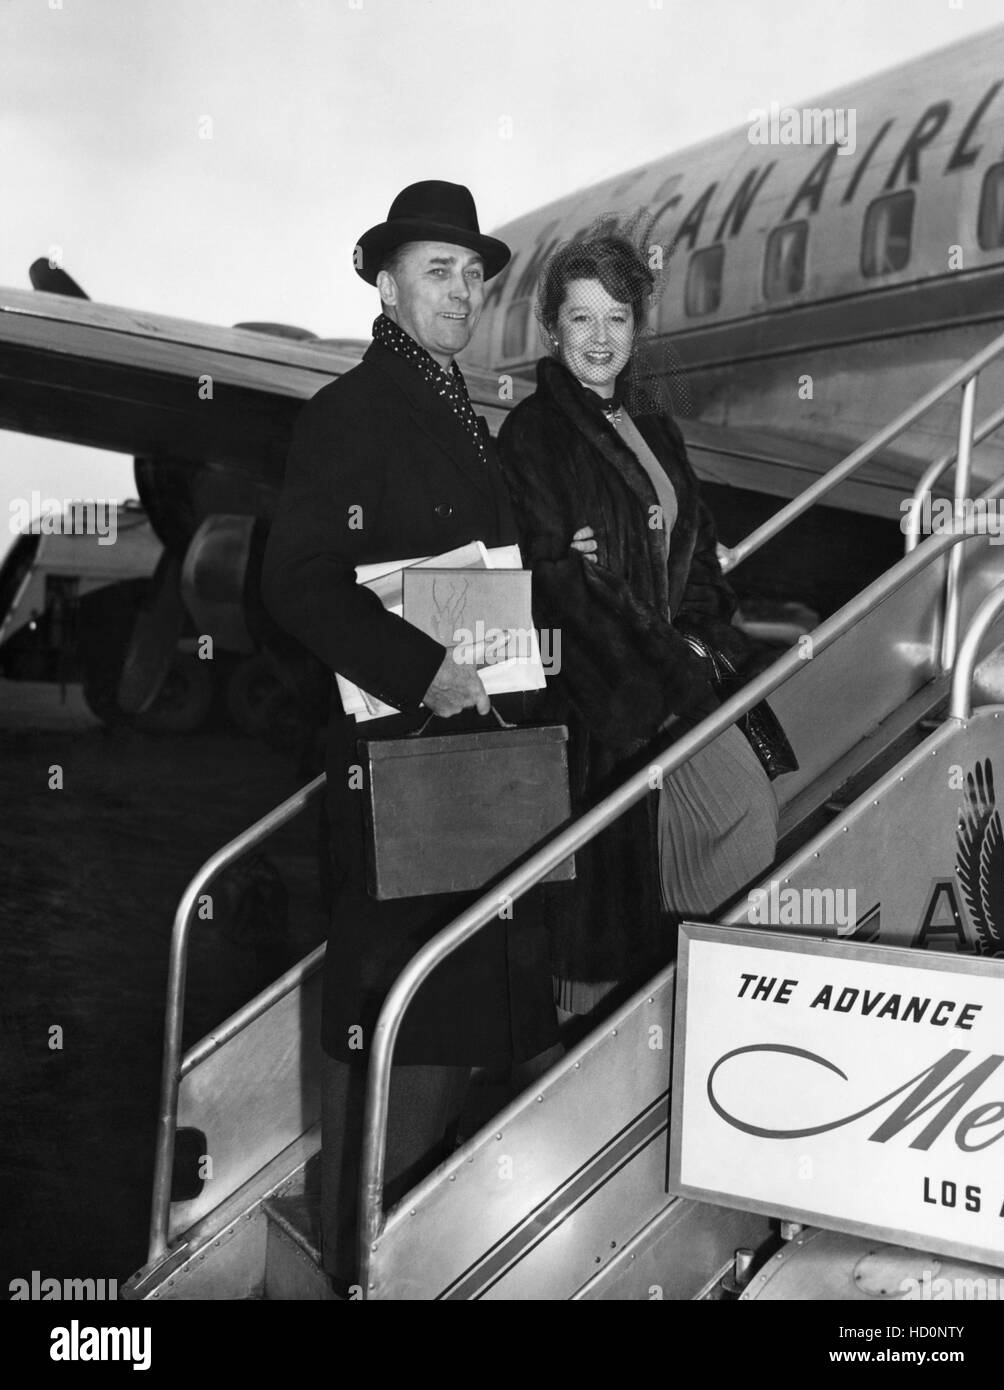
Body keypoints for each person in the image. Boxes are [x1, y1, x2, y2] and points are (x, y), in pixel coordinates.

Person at [261, 181, 580, 1291]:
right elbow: (295, 583)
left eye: (474, 273)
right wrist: (423, 671)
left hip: (474, 768)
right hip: (405, 774)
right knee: (401, 1044)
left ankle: (411, 1256)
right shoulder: (351, 414)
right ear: (387, 287)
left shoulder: (459, 411)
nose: (464, 290)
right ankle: (364, 1264)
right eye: (438, 270)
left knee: (460, 1033)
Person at [497, 231, 779, 1024]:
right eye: (580, 319)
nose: (599, 339)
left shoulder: (655, 429)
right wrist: (662, 670)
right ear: (551, 328)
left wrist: (703, 639)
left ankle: (687, 1018)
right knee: (590, 927)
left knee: (726, 832)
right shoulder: (532, 437)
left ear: (637, 328)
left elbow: (695, 559)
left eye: (616, 318)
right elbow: (549, 577)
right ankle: (561, 1097)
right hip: (600, 695)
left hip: (670, 677)